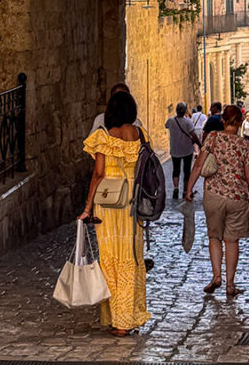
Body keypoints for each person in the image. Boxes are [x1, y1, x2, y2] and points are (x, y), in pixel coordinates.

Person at [79, 91, 150, 335]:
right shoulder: (140, 136)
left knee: (110, 260)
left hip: (109, 205)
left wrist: (87, 207)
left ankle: (118, 321)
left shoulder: (103, 138)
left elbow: (98, 174)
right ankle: (129, 316)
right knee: (131, 258)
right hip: (133, 203)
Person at [185, 105, 249, 298]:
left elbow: (199, 163)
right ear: (240, 122)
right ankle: (230, 284)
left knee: (214, 237)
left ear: (223, 120)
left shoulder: (213, 138)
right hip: (237, 198)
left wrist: (189, 188)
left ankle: (216, 276)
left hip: (214, 196)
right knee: (232, 240)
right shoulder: (244, 145)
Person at [165, 102, 199, 200]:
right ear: (185, 111)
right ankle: (185, 191)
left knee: (176, 170)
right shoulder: (188, 122)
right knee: (186, 170)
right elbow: (193, 134)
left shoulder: (171, 121)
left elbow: (166, 126)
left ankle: (176, 188)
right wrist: (200, 144)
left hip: (175, 149)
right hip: (187, 149)